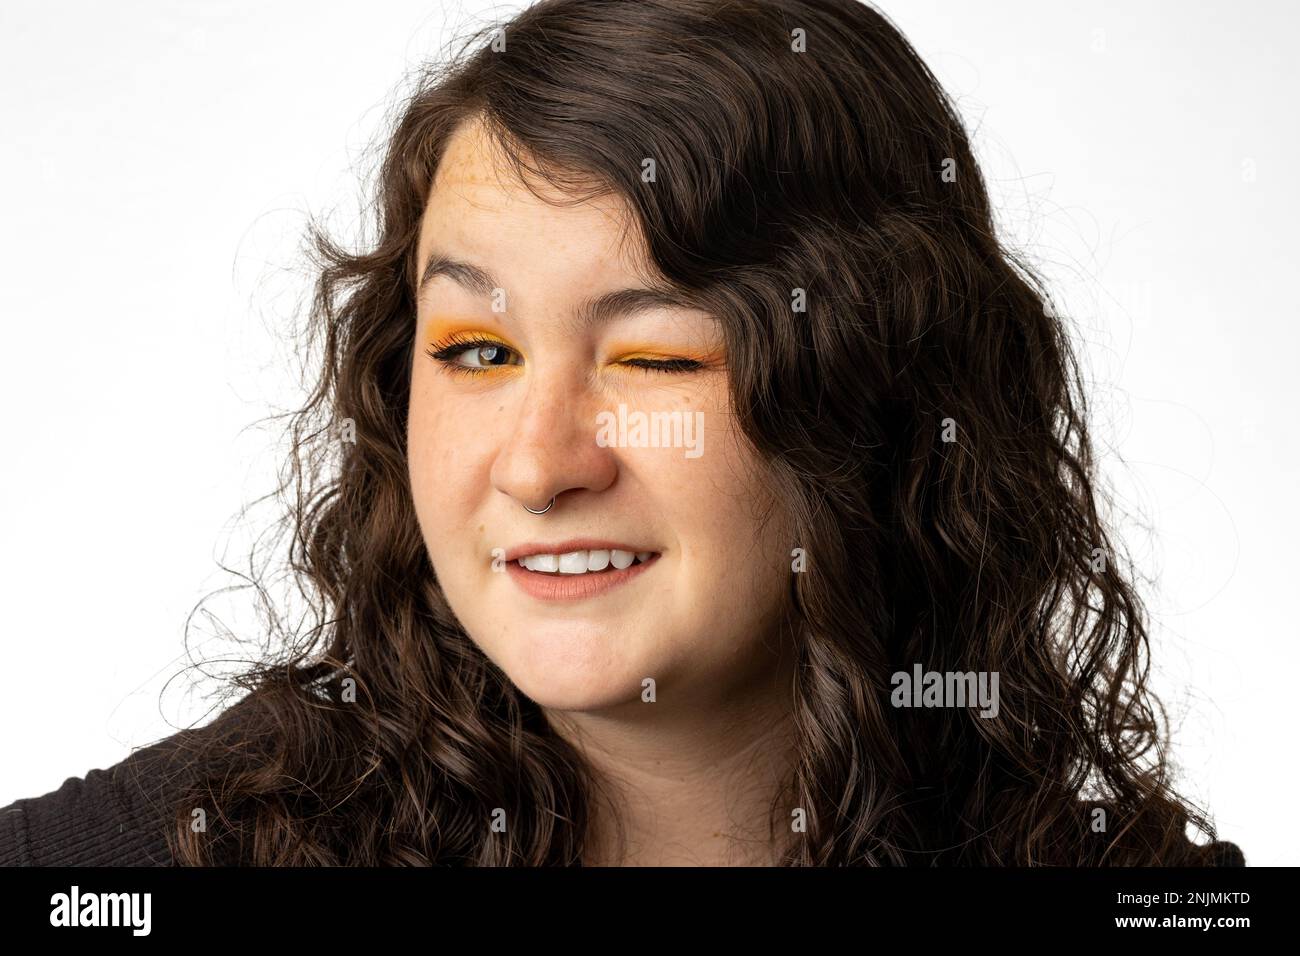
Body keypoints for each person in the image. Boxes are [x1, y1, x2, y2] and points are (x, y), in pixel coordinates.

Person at [0, 0, 1244, 867]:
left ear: (873, 391)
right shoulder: (165, 851)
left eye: (654, 355)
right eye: (477, 352)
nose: (539, 465)